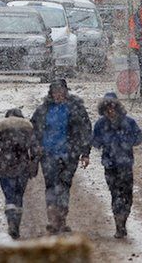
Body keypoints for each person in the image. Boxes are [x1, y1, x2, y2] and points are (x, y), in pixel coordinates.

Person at [30, 80, 92, 234]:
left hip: (69, 156)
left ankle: (62, 219)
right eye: (55, 91)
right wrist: (35, 148)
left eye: (61, 91)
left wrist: (85, 153)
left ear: (66, 92)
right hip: (48, 155)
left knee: (64, 186)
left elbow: (85, 130)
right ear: (51, 93)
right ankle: (52, 219)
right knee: (51, 186)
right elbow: (33, 130)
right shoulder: (43, 110)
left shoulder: (76, 109)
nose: (58, 94)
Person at [91, 93, 142, 238]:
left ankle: (124, 220)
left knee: (127, 196)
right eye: (107, 107)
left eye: (112, 106)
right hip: (110, 166)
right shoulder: (100, 124)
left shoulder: (129, 122)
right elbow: (94, 141)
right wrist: (102, 142)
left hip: (126, 165)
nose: (110, 110)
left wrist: (127, 142)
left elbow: (140, 137)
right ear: (103, 109)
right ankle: (119, 226)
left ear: (117, 107)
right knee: (116, 195)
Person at [0, 108, 39, 239]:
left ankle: (11, 222)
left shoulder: (1, 126)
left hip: (5, 166)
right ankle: (16, 224)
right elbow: (35, 150)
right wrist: (34, 166)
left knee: (9, 197)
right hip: (23, 166)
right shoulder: (28, 127)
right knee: (18, 196)